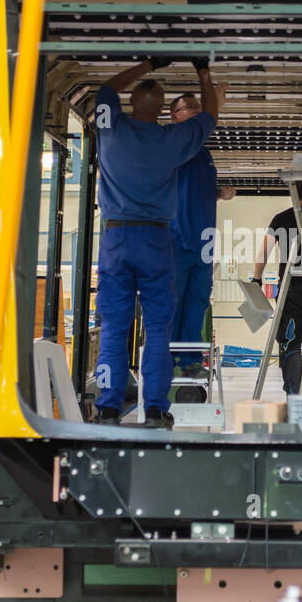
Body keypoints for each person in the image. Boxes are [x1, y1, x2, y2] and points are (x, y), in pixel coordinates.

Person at [92, 57, 219, 428]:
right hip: (156, 240)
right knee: (158, 327)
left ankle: (109, 408)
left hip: (115, 237)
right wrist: (203, 72)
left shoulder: (109, 129)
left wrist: (148, 63)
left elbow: (106, 89)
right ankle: (156, 410)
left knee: (114, 327)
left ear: (129, 104)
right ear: (164, 110)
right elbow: (209, 116)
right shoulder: (172, 140)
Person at [168, 91, 235, 378]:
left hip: (204, 243)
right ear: (174, 116)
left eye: (198, 106)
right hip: (177, 240)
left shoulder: (203, 153)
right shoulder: (173, 144)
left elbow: (193, 191)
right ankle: (166, 359)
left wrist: (218, 193)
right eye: (189, 108)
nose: (196, 111)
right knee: (173, 303)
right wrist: (214, 101)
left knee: (197, 303)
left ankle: (191, 359)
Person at [253, 180, 302, 395]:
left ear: (291, 193)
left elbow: (263, 252)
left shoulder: (280, 219)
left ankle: (293, 392)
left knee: (290, 341)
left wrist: (257, 279)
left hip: (289, 289)